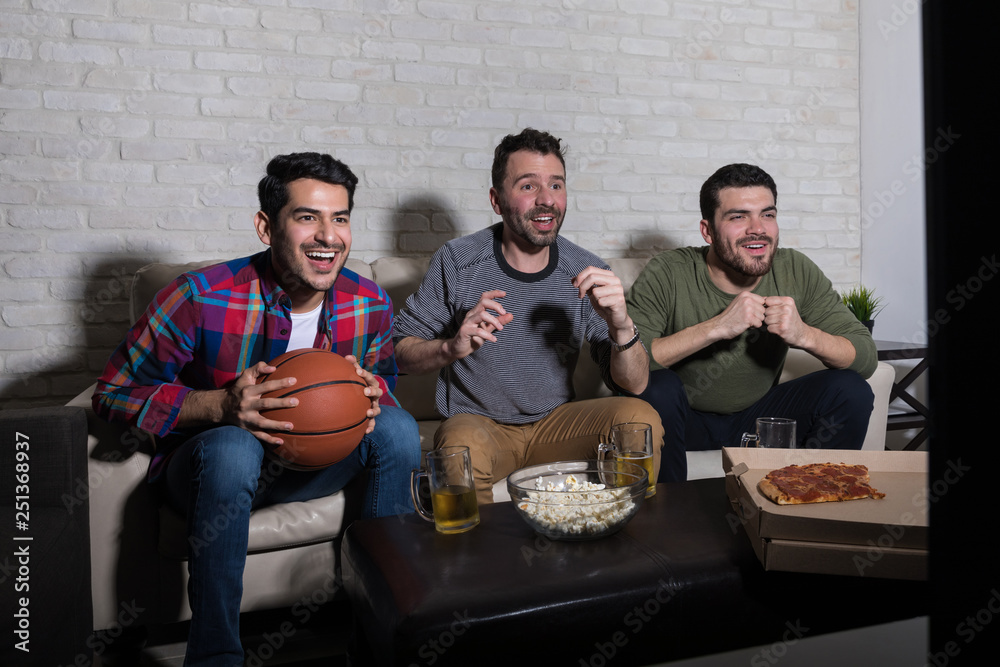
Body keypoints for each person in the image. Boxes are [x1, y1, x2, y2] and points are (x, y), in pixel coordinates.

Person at [92, 152, 421, 666]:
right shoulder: (198, 296)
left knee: (399, 430)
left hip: (313, 466)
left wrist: (372, 393)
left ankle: (384, 643)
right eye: (307, 217)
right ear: (267, 226)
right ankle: (216, 657)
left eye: (340, 218)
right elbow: (112, 393)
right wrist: (218, 404)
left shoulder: (370, 302)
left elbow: (385, 382)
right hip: (213, 473)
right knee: (230, 447)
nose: (328, 236)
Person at [392, 128, 664, 504]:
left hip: (556, 427)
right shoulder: (458, 260)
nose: (546, 200)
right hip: (482, 427)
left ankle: (625, 547)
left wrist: (620, 324)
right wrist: (450, 348)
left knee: (640, 416)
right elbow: (398, 352)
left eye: (556, 185)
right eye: (527, 187)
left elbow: (633, 383)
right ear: (497, 199)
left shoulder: (586, 269)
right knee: (459, 443)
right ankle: (477, 560)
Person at [623, 163, 878, 483]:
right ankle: (672, 516)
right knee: (658, 386)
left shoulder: (795, 269)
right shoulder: (669, 271)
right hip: (684, 421)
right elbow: (627, 365)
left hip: (759, 419)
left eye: (768, 214)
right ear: (708, 230)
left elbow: (865, 356)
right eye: (738, 216)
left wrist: (804, 334)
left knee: (850, 389)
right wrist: (715, 327)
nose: (757, 228)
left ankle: (812, 500)